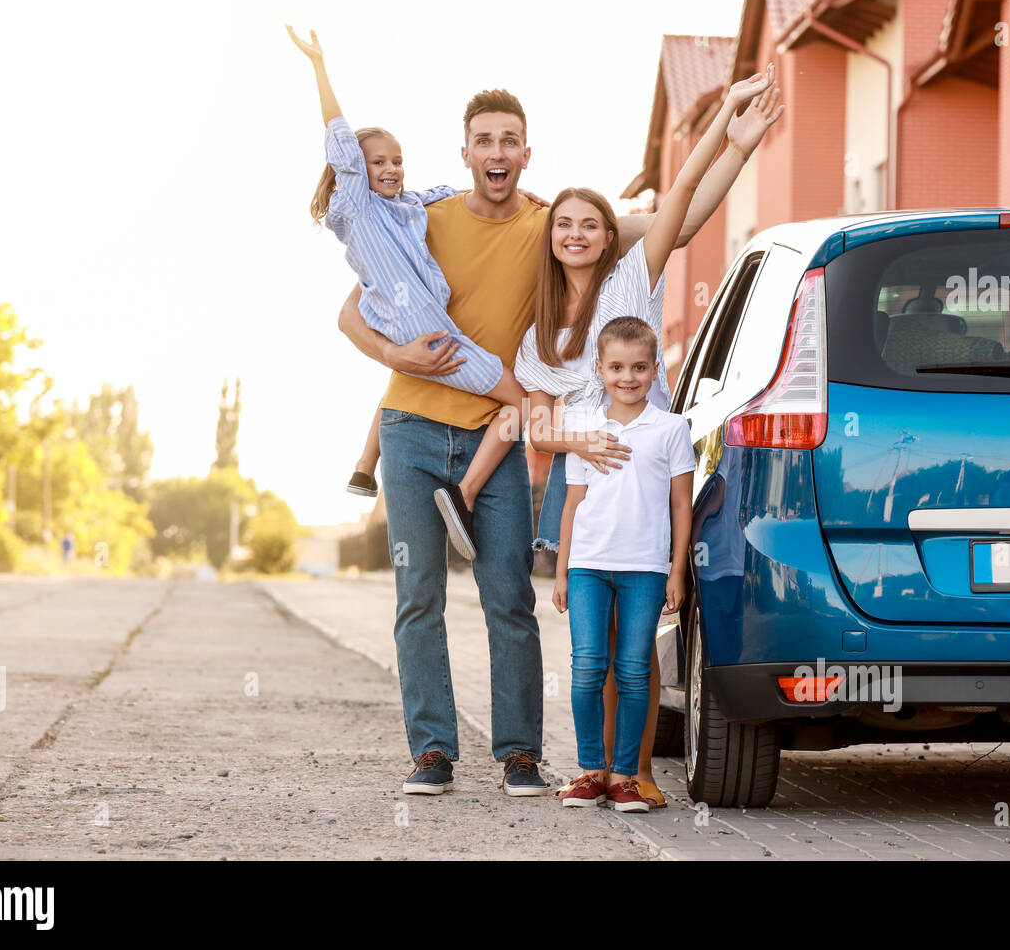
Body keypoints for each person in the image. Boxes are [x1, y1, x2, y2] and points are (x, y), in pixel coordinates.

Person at [332, 68, 775, 800]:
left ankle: (522, 756)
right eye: (484, 141)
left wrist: (733, 141)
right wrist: (392, 354)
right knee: (419, 596)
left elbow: (679, 219)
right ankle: (434, 753)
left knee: (510, 597)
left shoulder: (551, 225)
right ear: (466, 151)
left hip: (492, 433)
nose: (496, 151)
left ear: (526, 153)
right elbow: (355, 306)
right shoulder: (424, 218)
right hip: (411, 423)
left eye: (509, 139)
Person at [518, 69, 783, 806]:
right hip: (581, 490)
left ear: (609, 235)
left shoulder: (633, 278)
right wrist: (580, 441)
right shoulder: (541, 329)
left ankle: (633, 771)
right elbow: (535, 423)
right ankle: (595, 768)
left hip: (655, 475)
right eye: (564, 224)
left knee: (640, 648)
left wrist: (732, 136)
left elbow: (680, 205)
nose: (576, 234)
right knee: (591, 656)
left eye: (590, 224)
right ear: (551, 237)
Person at [287, 25, 533, 560]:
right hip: (433, 338)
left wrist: (525, 195)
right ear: (356, 172)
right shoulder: (356, 209)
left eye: (397, 160)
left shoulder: (408, 211)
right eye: (379, 163)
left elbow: (450, 192)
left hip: (422, 330)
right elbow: (340, 140)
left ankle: (363, 468)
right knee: (522, 401)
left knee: (482, 393)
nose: (391, 169)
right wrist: (320, 67)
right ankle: (463, 497)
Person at [552, 318, 695, 810]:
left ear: (655, 370)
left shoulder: (672, 428)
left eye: (638, 367)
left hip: (646, 569)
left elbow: (681, 505)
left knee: (634, 669)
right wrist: (561, 571)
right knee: (588, 666)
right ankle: (590, 770)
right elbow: (572, 504)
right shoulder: (582, 430)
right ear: (600, 369)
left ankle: (626, 777)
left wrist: (677, 570)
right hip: (588, 565)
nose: (627, 377)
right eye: (616, 367)